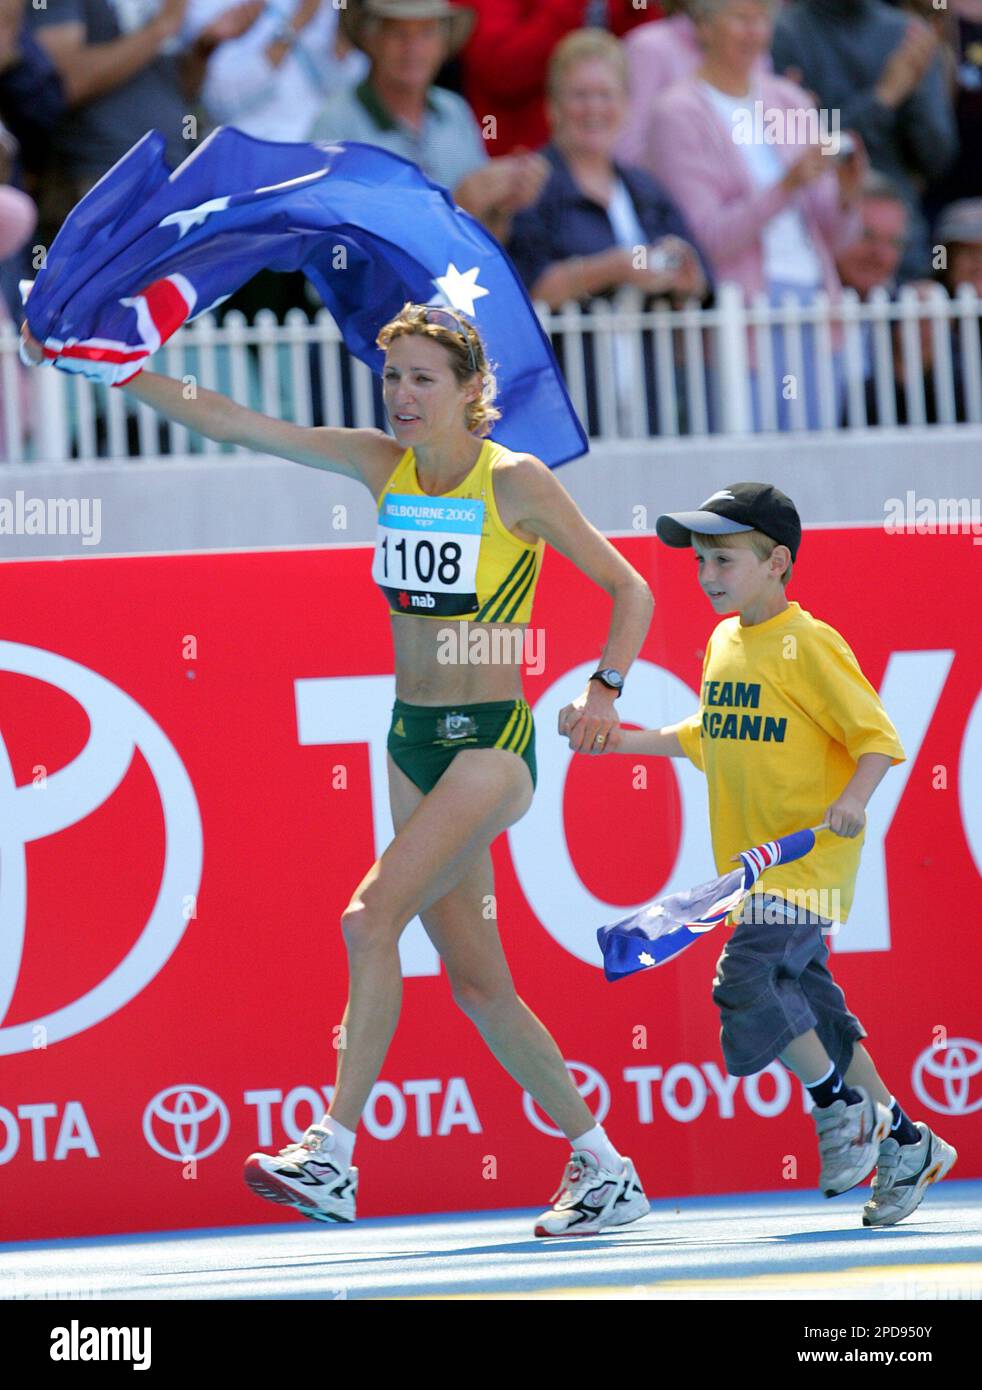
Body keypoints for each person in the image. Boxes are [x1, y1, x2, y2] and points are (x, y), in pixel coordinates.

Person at [22, 301, 655, 1236]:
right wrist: (99, 371)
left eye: (421, 379)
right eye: (391, 375)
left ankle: (332, 1152)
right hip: (410, 738)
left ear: (470, 390)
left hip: (490, 742)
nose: (401, 395)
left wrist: (603, 691)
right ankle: (606, 1167)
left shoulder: (512, 481)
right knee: (480, 984)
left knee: (368, 920)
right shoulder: (378, 465)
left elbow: (629, 587)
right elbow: (235, 421)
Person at [564, 482, 958, 1226]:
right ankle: (906, 1139)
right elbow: (708, 738)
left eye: (723, 558)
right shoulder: (724, 642)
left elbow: (878, 737)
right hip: (757, 866)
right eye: (700, 560)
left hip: (805, 861)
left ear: (777, 561)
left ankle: (838, 1110)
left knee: (744, 975)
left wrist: (854, 801)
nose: (707, 574)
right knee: (813, 1004)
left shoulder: (810, 642)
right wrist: (617, 740)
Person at [645, 0, 866, 430]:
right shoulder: (678, 112)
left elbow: (837, 239)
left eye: (761, 19)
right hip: (740, 318)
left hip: (816, 305)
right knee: (749, 482)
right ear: (703, 28)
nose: (754, 32)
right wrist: (786, 185)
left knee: (824, 471)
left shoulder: (791, 99)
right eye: (740, 19)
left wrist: (847, 192)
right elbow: (707, 238)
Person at [506, 28, 710, 435]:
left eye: (606, 95)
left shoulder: (643, 187)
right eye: (580, 95)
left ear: (627, 106)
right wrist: (615, 267)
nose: (593, 108)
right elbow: (528, 292)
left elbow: (703, 286)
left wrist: (686, 273)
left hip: (649, 396)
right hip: (566, 397)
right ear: (553, 108)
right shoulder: (532, 186)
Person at [310, 0, 548, 246]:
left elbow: (483, 243)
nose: (413, 48)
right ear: (372, 40)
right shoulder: (336, 123)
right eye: (398, 33)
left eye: (427, 32)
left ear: (443, 44)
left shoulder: (454, 110)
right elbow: (337, 248)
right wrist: (454, 207)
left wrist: (502, 204)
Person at [772, 0, 959, 281]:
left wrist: (915, 89)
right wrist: (882, 99)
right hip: (816, 241)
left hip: (901, 247)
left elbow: (937, 156)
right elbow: (794, 148)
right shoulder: (783, 34)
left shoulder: (907, 33)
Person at [458, 0, 655, 159]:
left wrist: (635, 6)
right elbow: (500, 71)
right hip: (522, 171)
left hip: (612, 163)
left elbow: (643, 49)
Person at [190, 0, 368, 141]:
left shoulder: (338, 8)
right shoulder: (224, 8)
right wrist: (295, 25)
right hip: (249, 154)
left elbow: (346, 85)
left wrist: (344, 33)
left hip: (315, 154)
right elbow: (219, 103)